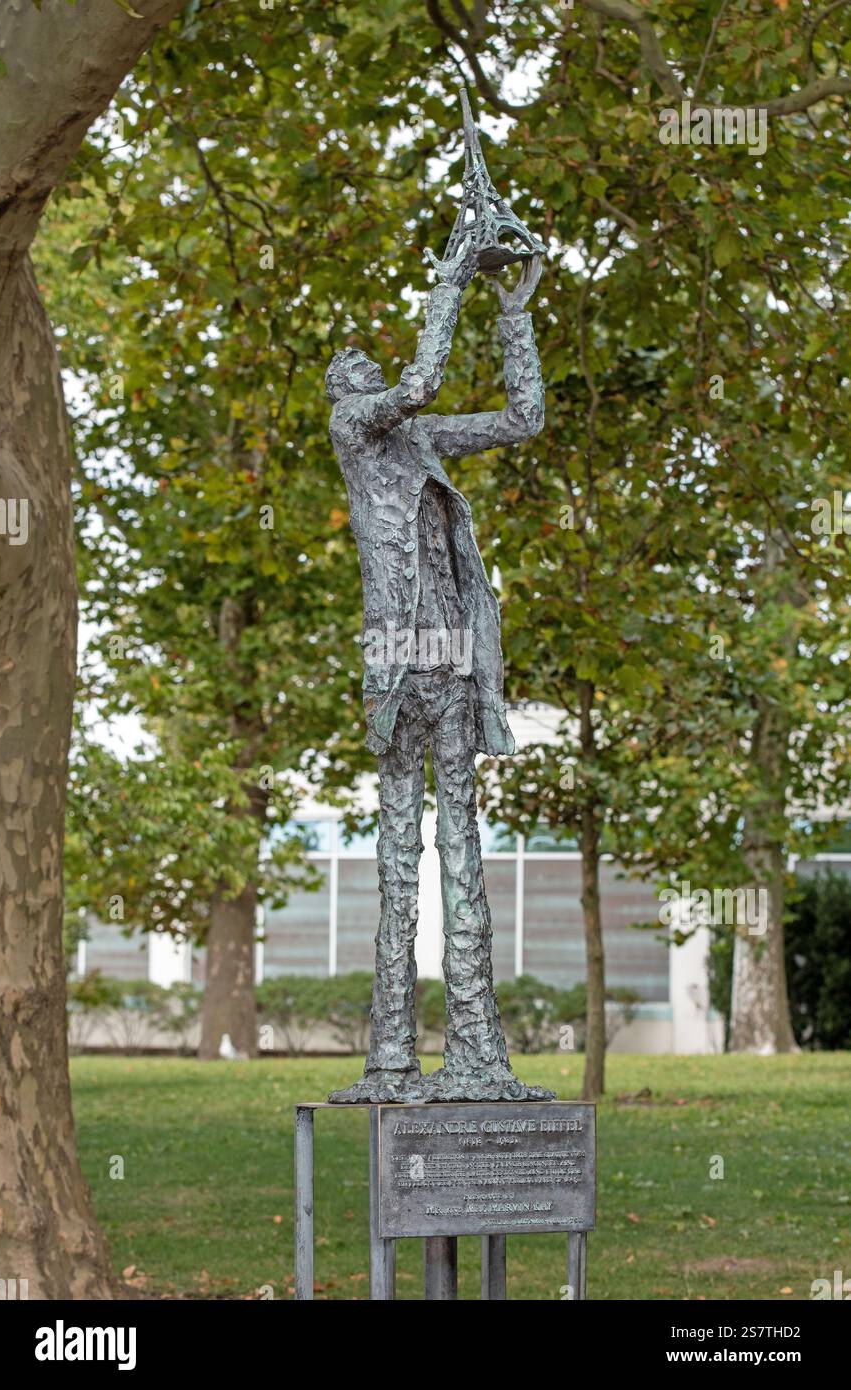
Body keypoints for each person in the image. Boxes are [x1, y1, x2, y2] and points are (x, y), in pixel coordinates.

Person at [326, 236, 552, 1102]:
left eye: (362, 361)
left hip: (452, 658)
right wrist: (452, 275)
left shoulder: (418, 440)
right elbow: (418, 381)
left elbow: (521, 421)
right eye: (350, 365)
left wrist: (513, 315)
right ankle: (390, 1058)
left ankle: (477, 1058)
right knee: (396, 855)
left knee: (462, 849)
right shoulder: (356, 427)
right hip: (396, 661)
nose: (360, 364)